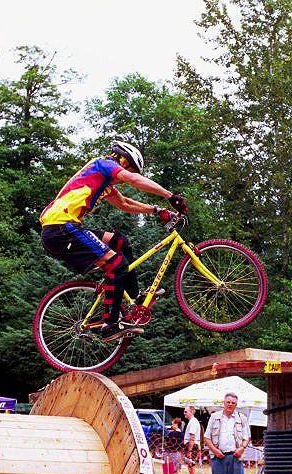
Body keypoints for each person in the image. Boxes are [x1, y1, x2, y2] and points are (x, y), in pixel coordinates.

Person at [40, 141, 188, 342]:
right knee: (117, 265)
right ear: (123, 161)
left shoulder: (103, 183)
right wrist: (170, 196)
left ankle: (136, 298)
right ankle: (109, 325)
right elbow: (134, 179)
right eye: (130, 169)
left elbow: (125, 203)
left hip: (65, 228)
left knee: (120, 242)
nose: (123, 180)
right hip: (61, 228)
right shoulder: (104, 165)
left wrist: (157, 210)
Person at [204, 392, 250, 474]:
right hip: (218, 458)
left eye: (233, 403)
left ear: (236, 405)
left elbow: (247, 437)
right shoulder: (214, 417)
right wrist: (215, 450)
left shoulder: (242, 418)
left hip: (236, 458)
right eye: (228, 402)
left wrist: (242, 448)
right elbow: (206, 437)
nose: (230, 404)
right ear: (223, 403)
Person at [182, 405, 202, 474]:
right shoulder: (192, 421)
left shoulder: (193, 422)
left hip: (192, 446)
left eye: (186, 411)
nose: (184, 413)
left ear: (191, 412)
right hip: (191, 446)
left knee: (191, 467)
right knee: (190, 467)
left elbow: (192, 438)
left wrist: (189, 451)